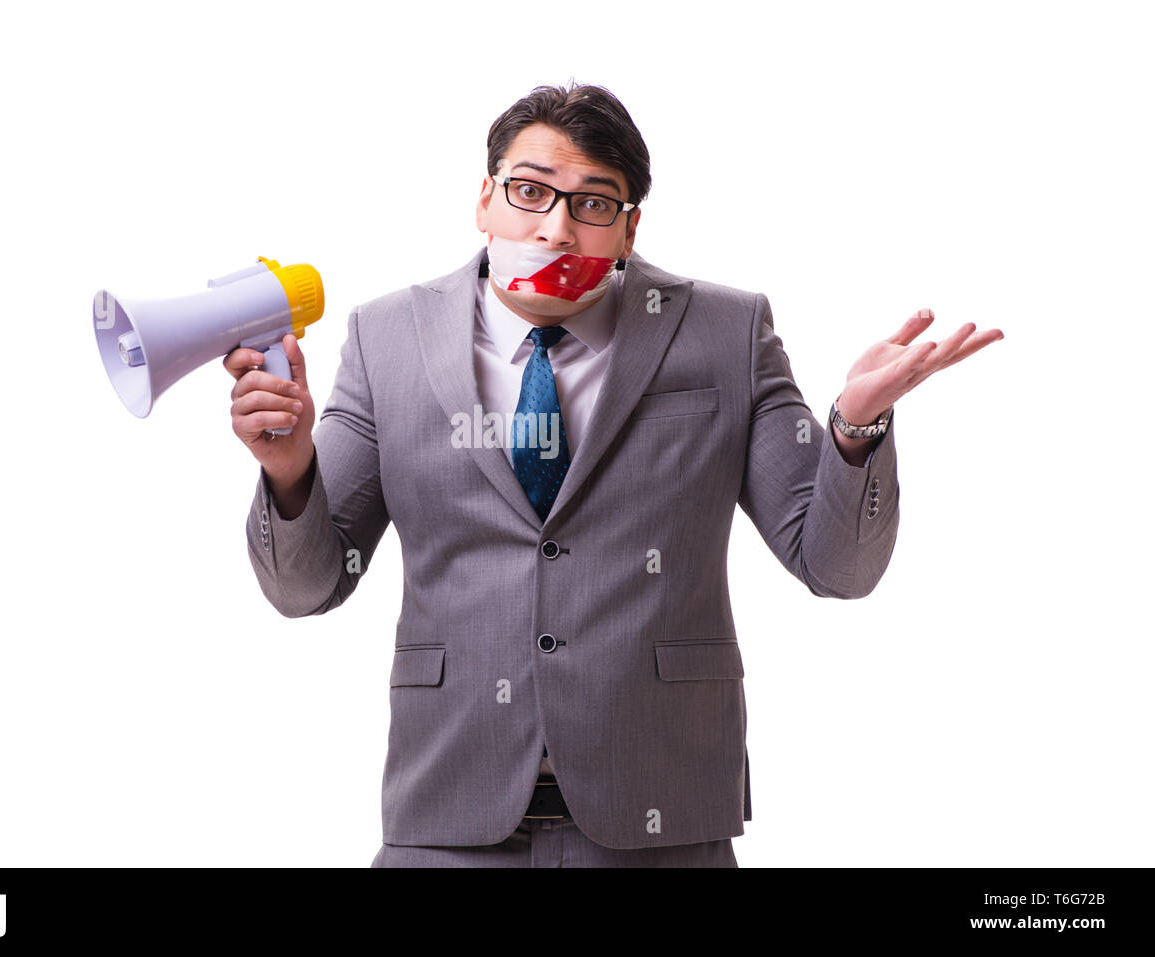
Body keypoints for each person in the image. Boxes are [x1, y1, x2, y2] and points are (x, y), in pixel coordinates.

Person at [223, 82, 1003, 867]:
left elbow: (836, 566)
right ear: (484, 198)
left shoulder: (725, 333)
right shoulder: (385, 337)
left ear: (629, 227)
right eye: (530, 191)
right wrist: (290, 470)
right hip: (448, 815)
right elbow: (307, 587)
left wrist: (855, 426)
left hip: (662, 817)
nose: (555, 227)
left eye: (593, 204)